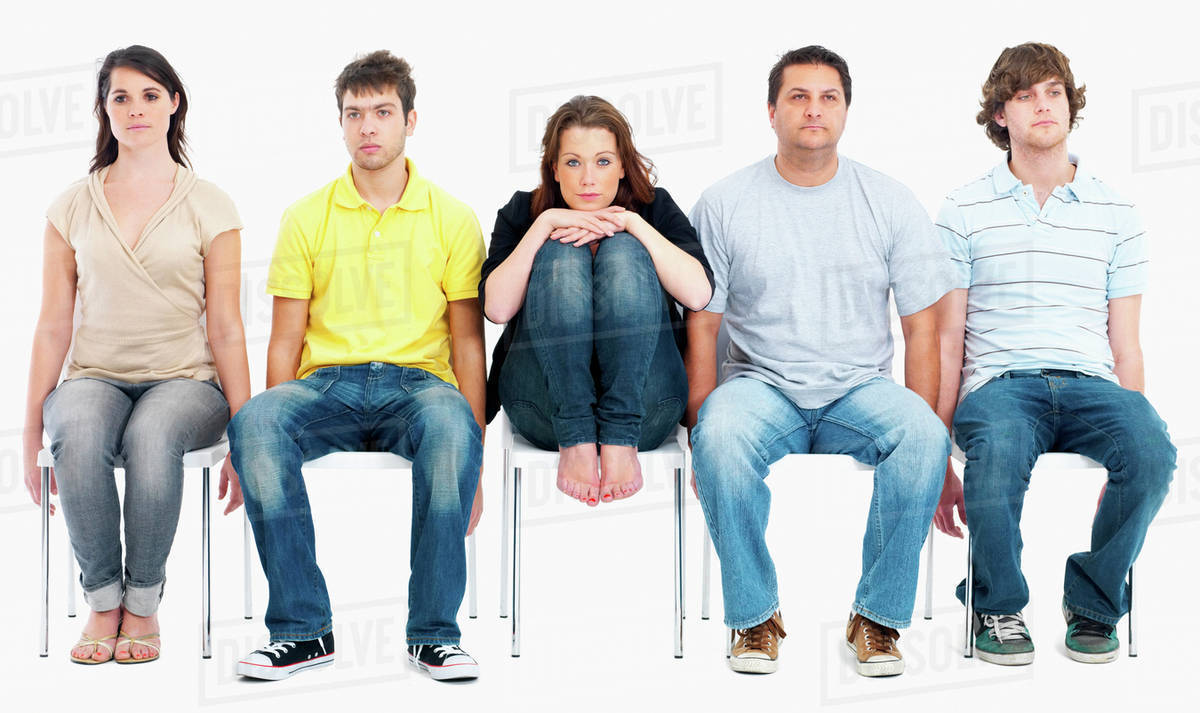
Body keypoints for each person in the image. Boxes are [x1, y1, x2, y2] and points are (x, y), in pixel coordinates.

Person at [686, 46, 956, 677]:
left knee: (923, 435)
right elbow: (704, 323)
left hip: (859, 388)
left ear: (846, 111)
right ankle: (754, 618)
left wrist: (934, 434)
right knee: (721, 435)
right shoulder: (726, 201)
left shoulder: (887, 200)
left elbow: (922, 328)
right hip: (759, 384)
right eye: (799, 97)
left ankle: (877, 619)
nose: (814, 110)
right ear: (772, 111)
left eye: (828, 97)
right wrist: (699, 428)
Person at [229, 50, 486, 682]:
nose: (367, 126)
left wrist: (474, 456)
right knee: (257, 423)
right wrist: (264, 436)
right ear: (340, 124)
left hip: (421, 387)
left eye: (382, 112)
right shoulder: (305, 217)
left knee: (453, 428)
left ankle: (433, 634)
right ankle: (301, 630)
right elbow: (285, 340)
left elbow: (468, 346)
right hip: (327, 387)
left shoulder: (452, 218)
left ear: (410, 120)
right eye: (354, 114)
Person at [932, 42, 1175, 666]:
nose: (1043, 106)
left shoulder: (1117, 214)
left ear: (1070, 106)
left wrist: (1130, 434)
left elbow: (1127, 343)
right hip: (1000, 385)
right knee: (1002, 449)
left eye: (1054, 93)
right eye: (1024, 95)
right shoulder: (962, 210)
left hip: (1092, 384)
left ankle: (1093, 603)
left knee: (1152, 451)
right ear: (999, 117)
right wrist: (938, 455)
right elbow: (946, 338)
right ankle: (998, 606)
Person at [22, 45, 250, 665]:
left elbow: (227, 327)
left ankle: (142, 604)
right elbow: (51, 325)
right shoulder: (70, 205)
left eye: (151, 95)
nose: (136, 109)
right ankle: (103, 600)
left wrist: (246, 430)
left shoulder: (211, 204)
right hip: (94, 374)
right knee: (80, 427)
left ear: (174, 104)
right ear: (104, 109)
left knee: (152, 436)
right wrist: (27, 431)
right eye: (121, 97)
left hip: (186, 381)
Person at [480, 95, 713, 506]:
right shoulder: (523, 211)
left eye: (603, 161)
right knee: (559, 250)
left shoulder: (653, 209)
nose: (588, 178)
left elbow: (698, 294)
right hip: (542, 407)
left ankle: (619, 438)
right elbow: (497, 310)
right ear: (554, 168)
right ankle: (576, 438)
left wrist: (630, 224)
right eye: (573, 162)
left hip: (647, 407)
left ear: (623, 165)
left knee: (623, 249)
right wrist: (545, 224)